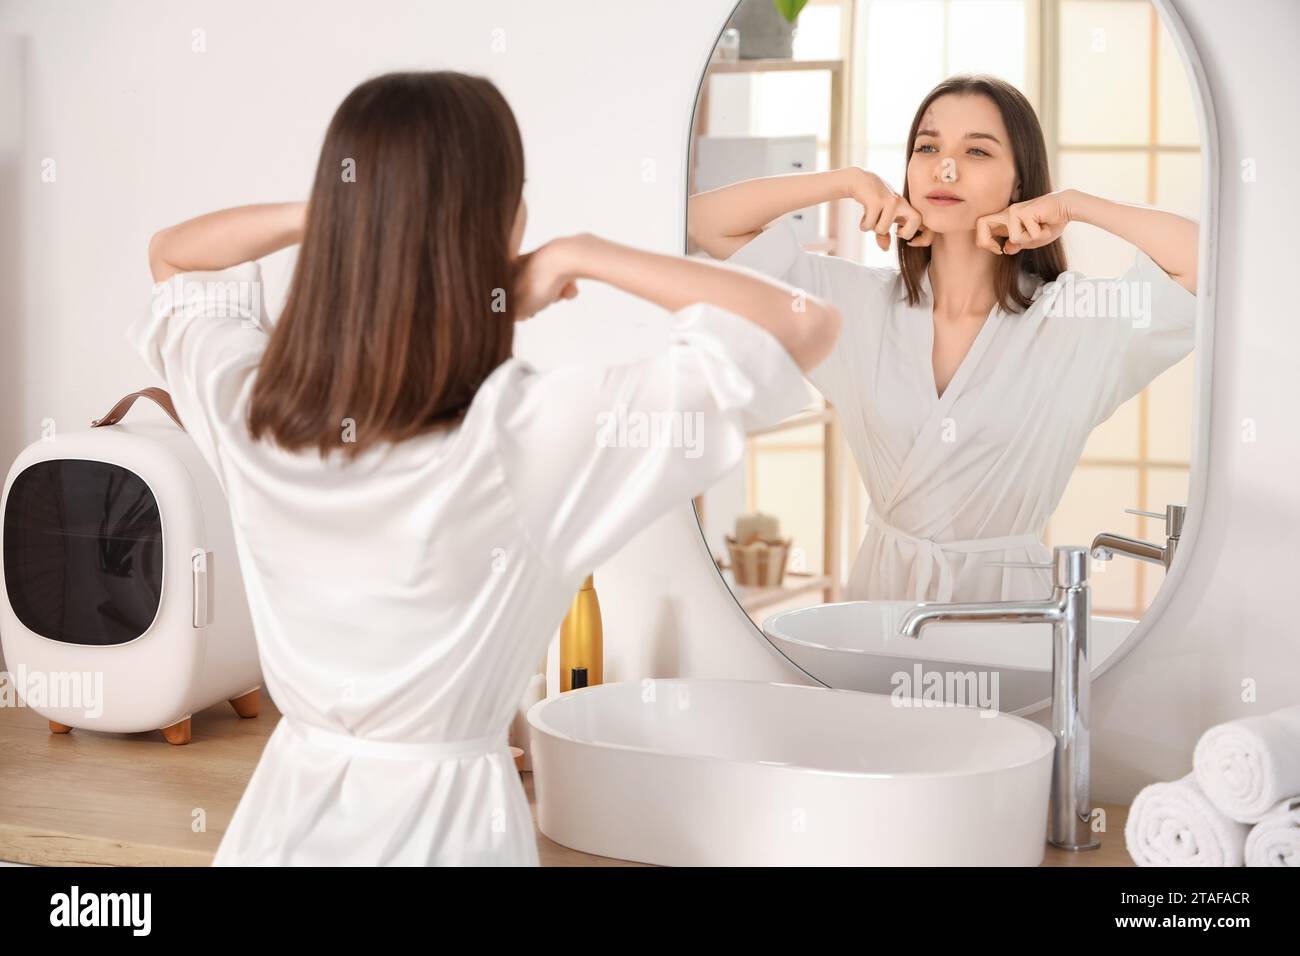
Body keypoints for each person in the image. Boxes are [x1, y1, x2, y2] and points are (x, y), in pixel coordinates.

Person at [130, 70, 840, 865]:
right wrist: (584, 254)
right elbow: (800, 327)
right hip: (448, 838)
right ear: (508, 221)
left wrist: (352, 214)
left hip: (278, 833)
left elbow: (173, 256)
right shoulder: (528, 439)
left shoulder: (254, 411)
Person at [688, 73, 1199, 604]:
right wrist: (846, 181)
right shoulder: (854, 305)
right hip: (879, 606)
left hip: (1008, 611)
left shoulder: (1073, 321)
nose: (944, 168)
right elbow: (704, 223)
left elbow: (1206, 265)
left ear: (1020, 183)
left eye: (977, 151)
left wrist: (1074, 205)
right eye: (927, 147)